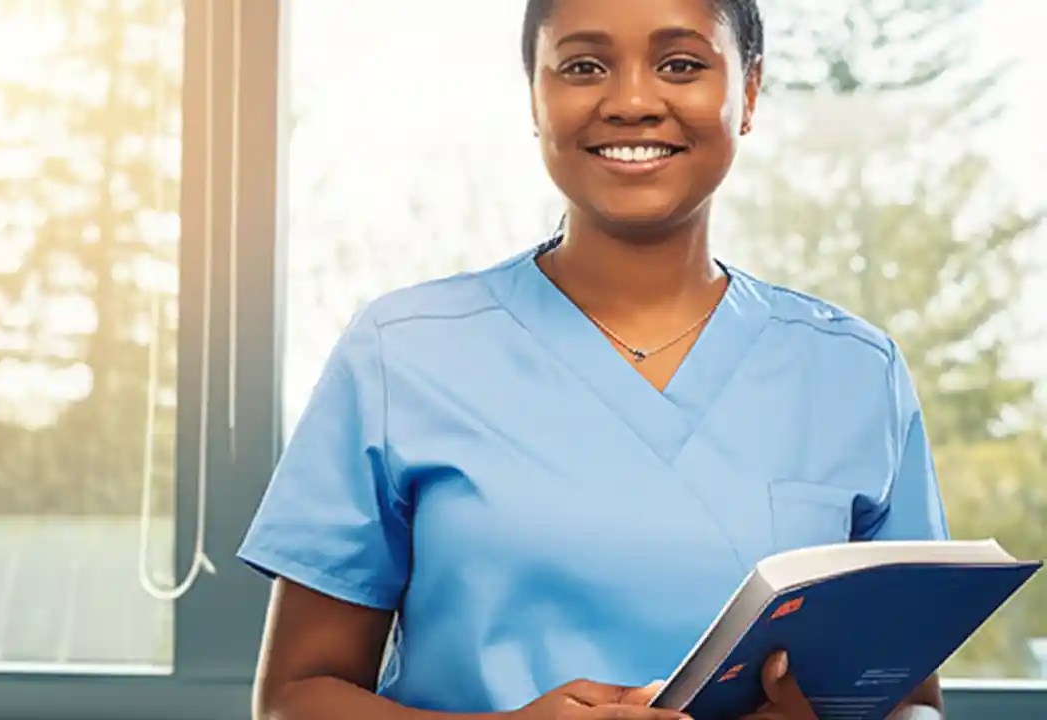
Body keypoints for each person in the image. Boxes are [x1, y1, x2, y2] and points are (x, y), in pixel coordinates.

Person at [236, 0, 950, 718]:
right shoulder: (401, 352)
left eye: (681, 64)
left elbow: (912, 703)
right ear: (535, 97)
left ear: (749, 92)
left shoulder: (856, 372)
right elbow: (295, 699)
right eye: (583, 66)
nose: (633, 102)